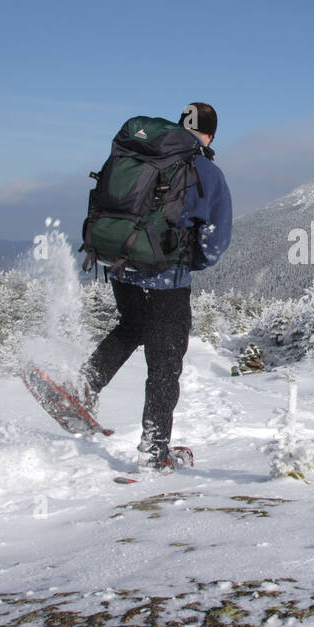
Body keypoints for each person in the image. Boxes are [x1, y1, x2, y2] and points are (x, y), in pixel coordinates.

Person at [77, 103, 232, 471]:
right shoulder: (205, 169)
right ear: (210, 133)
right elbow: (216, 236)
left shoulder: (141, 154)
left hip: (121, 266)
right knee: (165, 363)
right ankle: (154, 449)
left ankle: (82, 387)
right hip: (166, 279)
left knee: (130, 327)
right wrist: (189, 261)